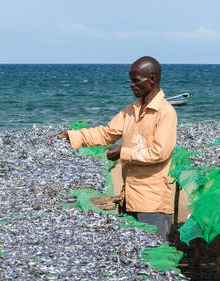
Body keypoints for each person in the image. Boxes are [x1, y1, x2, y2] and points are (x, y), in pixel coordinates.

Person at [50, 56, 177, 241]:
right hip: (128, 200)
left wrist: (122, 152)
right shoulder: (131, 110)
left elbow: (159, 153)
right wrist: (71, 136)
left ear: (152, 79)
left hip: (152, 204)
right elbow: (106, 133)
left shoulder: (165, 113)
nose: (131, 85)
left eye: (136, 81)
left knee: (152, 259)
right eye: (130, 80)